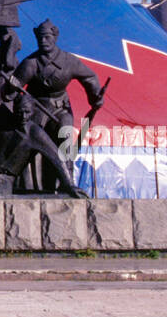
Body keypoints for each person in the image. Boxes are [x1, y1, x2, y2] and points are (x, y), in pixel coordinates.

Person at [11, 19, 104, 195]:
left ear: (55, 37)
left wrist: (94, 97)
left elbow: (90, 77)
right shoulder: (31, 63)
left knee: (65, 133)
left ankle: (66, 182)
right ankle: (27, 185)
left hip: (61, 108)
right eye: (40, 38)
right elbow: (12, 90)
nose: (43, 41)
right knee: (29, 137)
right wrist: (12, 88)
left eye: (47, 37)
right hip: (36, 109)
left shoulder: (68, 61)